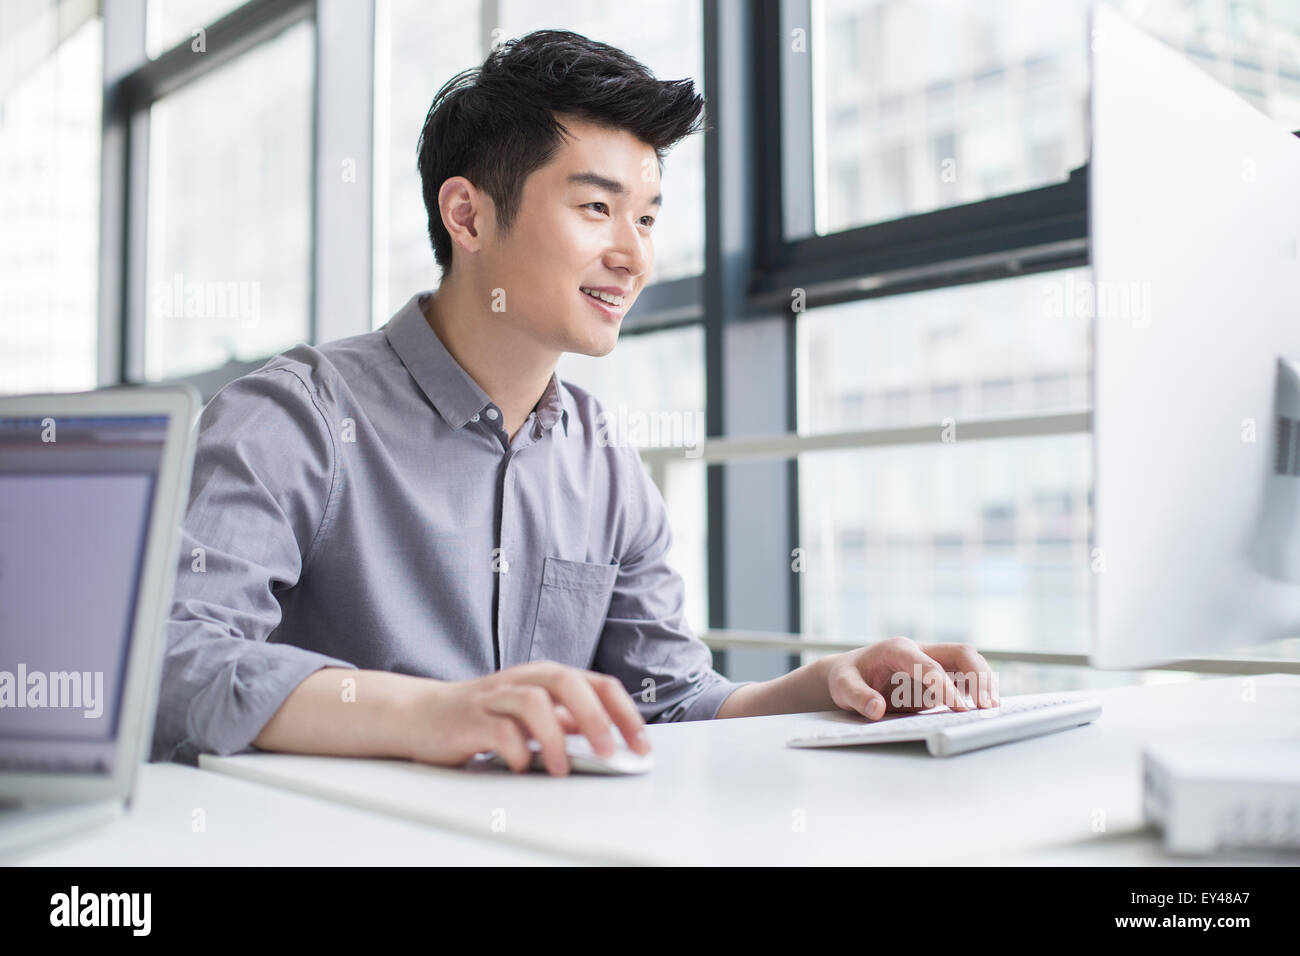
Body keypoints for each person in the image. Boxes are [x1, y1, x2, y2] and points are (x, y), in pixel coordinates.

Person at [151, 29, 997, 776]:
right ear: (467, 215)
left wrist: (822, 687)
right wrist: (429, 713)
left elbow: (669, 702)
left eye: (649, 219)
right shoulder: (294, 418)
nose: (632, 256)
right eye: (597, 207)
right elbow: (171, 660)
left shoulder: (603, 463)